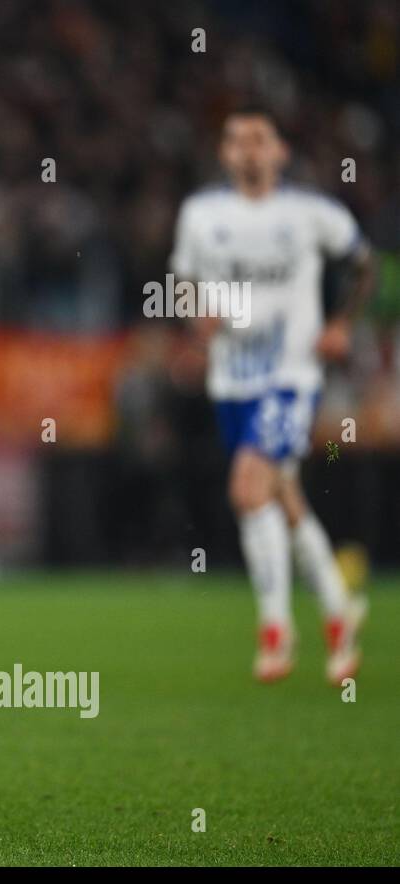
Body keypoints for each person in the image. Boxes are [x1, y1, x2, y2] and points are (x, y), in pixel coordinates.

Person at [170, 106, 374, 683]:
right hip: (232, 380)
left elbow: (365, 267)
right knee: (282, 499)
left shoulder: (310, 214)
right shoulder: (201, 215)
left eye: (260, 139)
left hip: (292, 376)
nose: (249, 149)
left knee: (247, 486)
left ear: (280, 152)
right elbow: (184, 285)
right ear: (225, 155)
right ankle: (340, 610)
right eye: (237, 140)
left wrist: (342, 324)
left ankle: (276, 629)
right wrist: (195, 318)